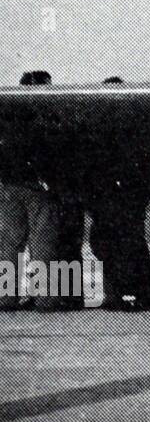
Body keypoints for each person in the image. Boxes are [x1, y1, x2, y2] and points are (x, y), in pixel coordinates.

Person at [0, 71, 82, 312]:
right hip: (38, 189)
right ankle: (45, 298)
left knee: (8, 245)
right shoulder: (47, 116)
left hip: (9, 186)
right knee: (42, 244)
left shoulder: (6, 114)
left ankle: (5, 297)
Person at [84, 82, 150, 311]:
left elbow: (144, 168)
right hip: (115, 197)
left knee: (125, 244)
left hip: (121, 197)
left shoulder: (114, 125)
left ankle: (135, 295)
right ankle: (122, 295)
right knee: (115, 244)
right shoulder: (131, 124)